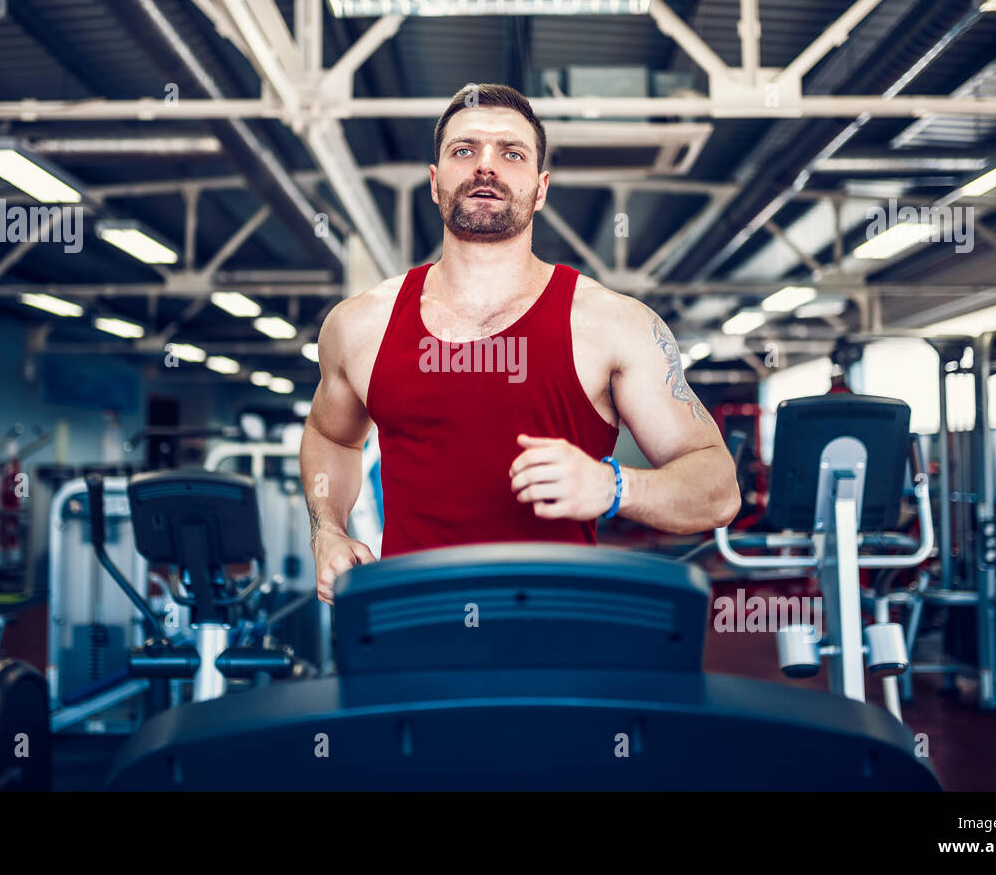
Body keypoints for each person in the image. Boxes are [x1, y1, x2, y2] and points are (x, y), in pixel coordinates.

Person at [301, 83, 739, 603]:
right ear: (436, 183)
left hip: (554, 638)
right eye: (465, 150)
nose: (486, 167)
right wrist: (327, 528)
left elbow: (717, 489)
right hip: (408, 631)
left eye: (512, 153)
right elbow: (332, 437)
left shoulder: (614, 325)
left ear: (541, 186)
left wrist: (613, 488)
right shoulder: (359, 325)